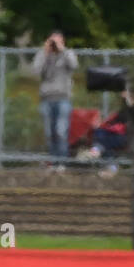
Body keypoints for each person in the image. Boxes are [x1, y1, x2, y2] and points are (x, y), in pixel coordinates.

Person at [32, 30, 77, 171]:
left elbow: (74, 65)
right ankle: (53, 161)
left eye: (57, 41)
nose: (54, 44)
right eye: (52, 41)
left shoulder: (68, 53)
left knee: (61, 131)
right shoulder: (44, 54)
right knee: (49, 132)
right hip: (46, 98)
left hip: (63, 98)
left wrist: (61, 49)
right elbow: (35, 70)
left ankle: (62, 163)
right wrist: (45, 52)